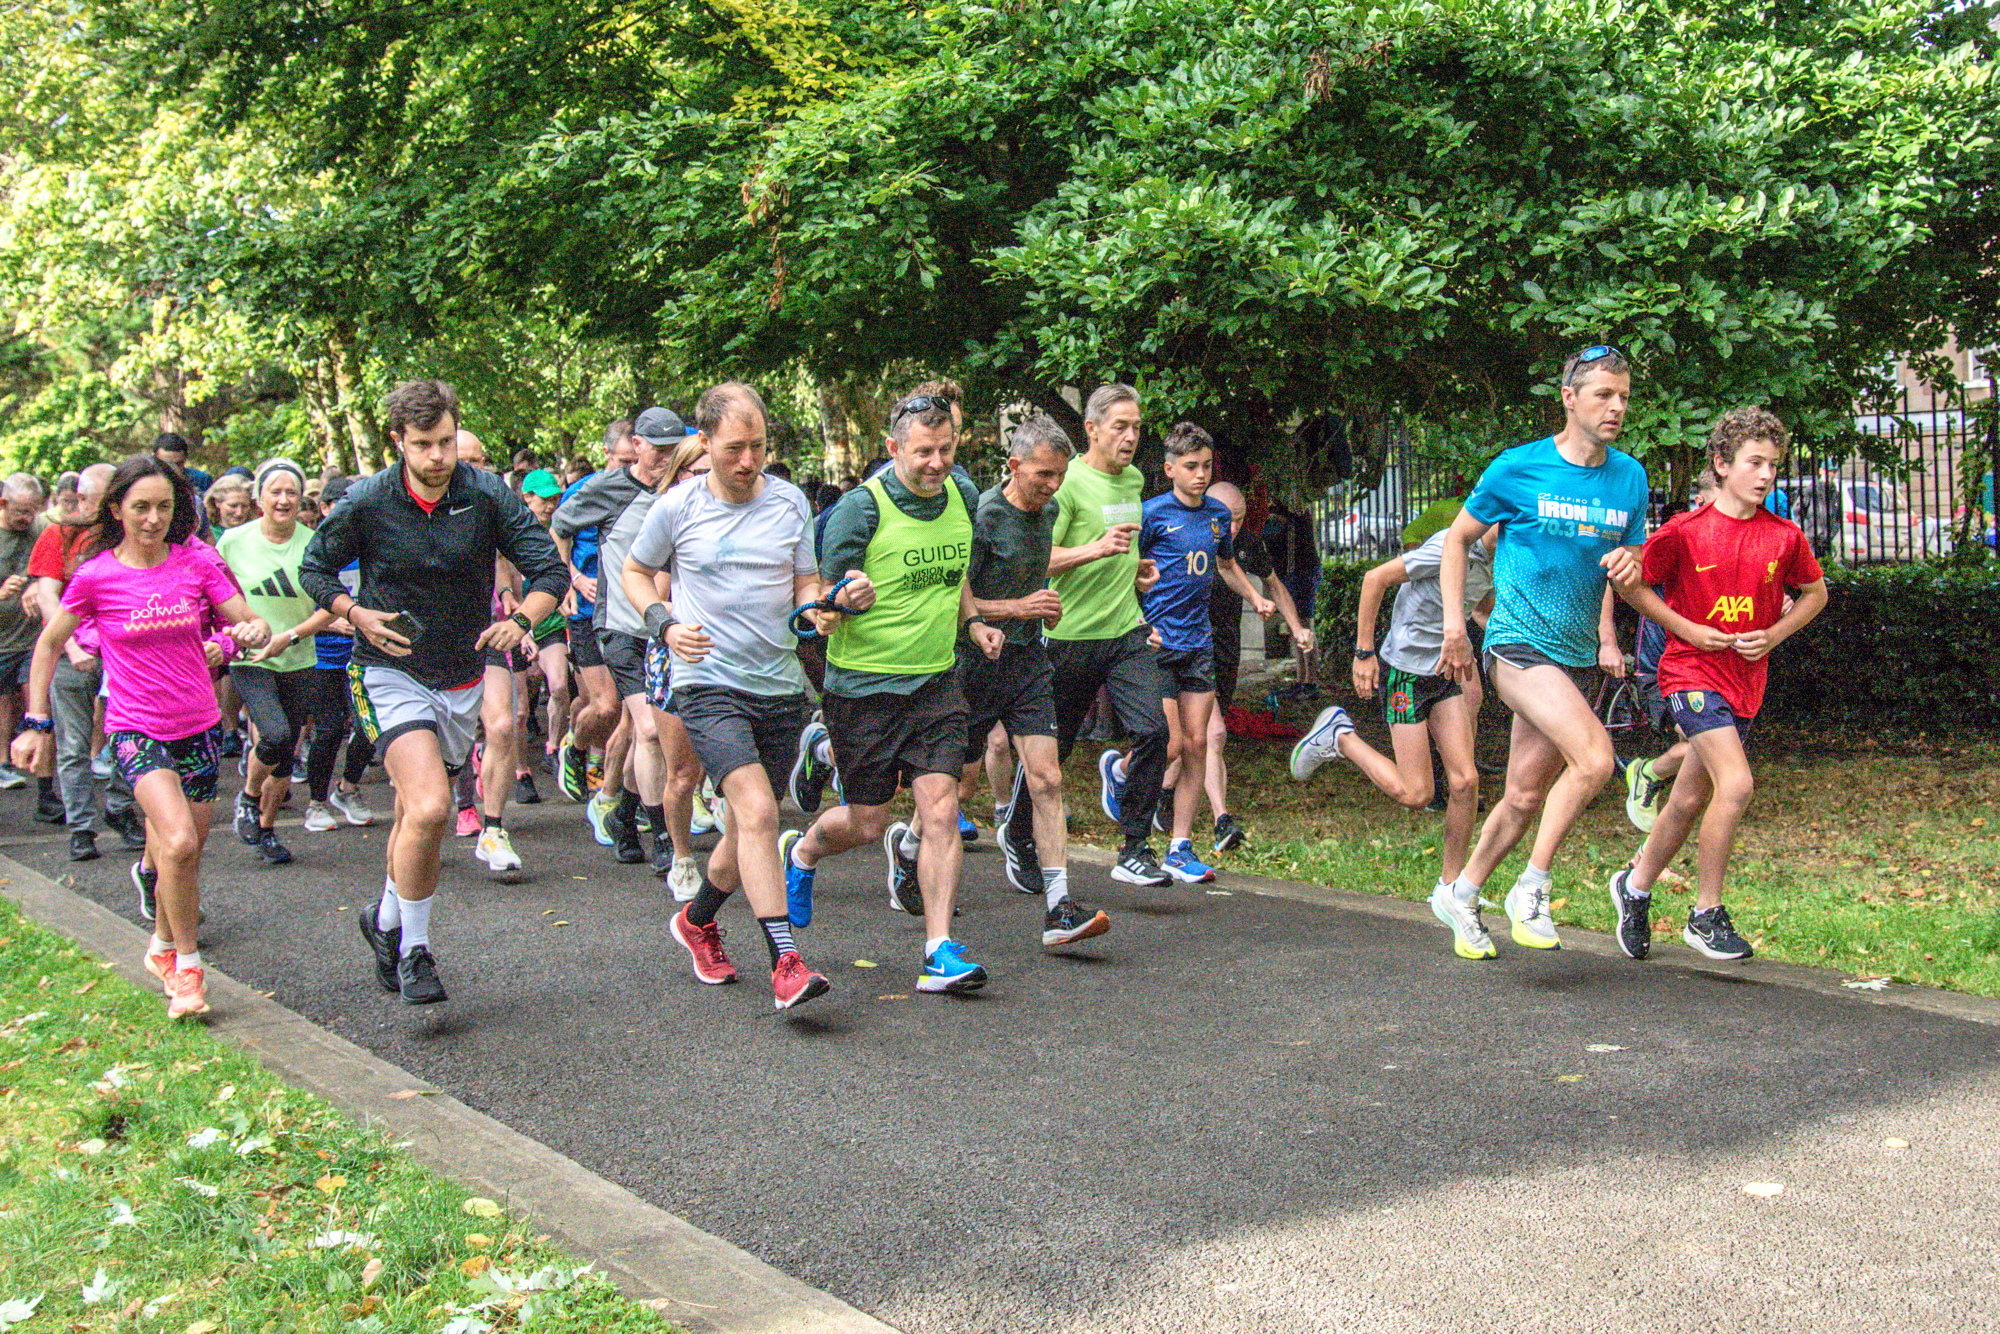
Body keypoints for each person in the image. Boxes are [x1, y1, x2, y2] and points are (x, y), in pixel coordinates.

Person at [299, 379, 566, 1006]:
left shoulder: (486, 495)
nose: (439, 456)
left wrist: (522, 618)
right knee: (427, 807)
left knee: (414, 818)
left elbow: (547, 569)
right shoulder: (368, 501)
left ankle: (385, 918)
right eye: (424, 445)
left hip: (462, 676)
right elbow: (313, 569)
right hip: (386, 669)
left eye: (446, 441)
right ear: (399, 442)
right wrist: (353, 611)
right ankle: (415, 948)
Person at [13, 457, 270, 1019]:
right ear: (116, 511)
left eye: (163, 507)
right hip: (134, 728)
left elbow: (246, 622)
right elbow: (48, 645)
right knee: (176, 842)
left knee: (183, 853)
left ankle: (159, 945)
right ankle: (189, 967)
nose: (153, 519)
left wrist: (242, 636)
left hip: (198, 725)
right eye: (140, 507)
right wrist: (36, 723)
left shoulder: (195, 563)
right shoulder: (97, 575)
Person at [621, 381, 839, 1009]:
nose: (748, 461)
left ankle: (697, 919)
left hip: (777, 684)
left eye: (760, 447)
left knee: (744, 827)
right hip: (707, 684)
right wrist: (663, 623)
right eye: (735, 447)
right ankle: (787, 962)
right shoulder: (678, 507)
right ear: (705, 441)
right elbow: (635, 572)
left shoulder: (791, 502)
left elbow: (803, 582)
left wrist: (816, 612)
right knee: (761, 813)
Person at [785, 386, 1007, 993]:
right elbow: (819, 605)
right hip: (863, 690)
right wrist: (842, 600)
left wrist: (973, 622)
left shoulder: (962, 492)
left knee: (941, 808)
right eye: (922, 453)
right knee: (866, 822)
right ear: (892, 449)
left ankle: (939, 948)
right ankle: (802, 852)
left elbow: (955, 574)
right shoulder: (861, 509)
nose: (936, 463)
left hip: (936, 681)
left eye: (945, 449)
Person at [1428, 344, 1647, 959]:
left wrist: (1633, 568)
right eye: (1603, 394)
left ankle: (1462, 892)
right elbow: (1458, 541)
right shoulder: (1517, 468)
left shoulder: (1630, 477)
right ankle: (1533, 885)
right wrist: (1453, 627)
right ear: (1569, 398)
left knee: (1524, 794)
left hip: (1575, 656)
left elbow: (1629, 565)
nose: (1616, 407)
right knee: (1597, 759)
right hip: (1518, 646)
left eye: (1624, 396)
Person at [1606, 408, 1827, 961]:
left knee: (1686, 800)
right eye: (1754, 463)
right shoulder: (1683, 531)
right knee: (1738, 784)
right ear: (1722, 464)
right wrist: (1687, 630)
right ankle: (1706, 914)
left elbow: (1816, 595)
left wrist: (1773, 634)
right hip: (1688, 672)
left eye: (1773, 465)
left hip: (1745, 680)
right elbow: (1632, 586)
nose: (1765, 475)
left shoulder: (1784, 536)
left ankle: (1633, 886)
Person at [1003, 384, 1171, 887]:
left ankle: (1136, 848)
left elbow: (1122, 548)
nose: (1130, 436)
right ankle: (1019, 833)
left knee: (1154, 731)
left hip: (1125, 630)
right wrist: (1096, 551)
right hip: (1068, 636)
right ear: (1092, 430)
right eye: (1119, 426)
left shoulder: (1135, 479)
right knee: (1055, 752)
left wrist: (1135, 569)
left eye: (1137, 427)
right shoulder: (1068, 483)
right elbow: (1040, 559)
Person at [958, 413, 1110, 946]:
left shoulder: (1047, 514)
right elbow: (958, 604)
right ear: (1014, 465)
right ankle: (908, 850)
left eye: (1060, 475)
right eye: (1043, 475)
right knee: (959, 786)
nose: (1053, 486)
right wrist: (1018, 607)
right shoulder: (980, 517)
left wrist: (1044, 611)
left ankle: (1059, 906)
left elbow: (1037, 574)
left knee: (1047, 779)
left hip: (1026, 666)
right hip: (974, 664)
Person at [1288, 527, 1495, 894]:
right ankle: (1341, 737)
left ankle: (1451, 888)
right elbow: (1374, 579)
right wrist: (1364, 653)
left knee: (1465, 783)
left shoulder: (1504, 557)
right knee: (1417, 794)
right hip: (1406, 672)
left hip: (1442, 668)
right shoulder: (1449, 548)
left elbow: (1477, 601)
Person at [1132, 423, 1274, 884]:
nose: (1199, 474)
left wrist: (1254, 597)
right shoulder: (1151, 514)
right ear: (1170, 469)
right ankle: (1122, 776)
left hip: (1198, 643)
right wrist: (1137, 619)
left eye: (1206, 466)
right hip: (1158, 642)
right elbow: (1124, 572)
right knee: (1169, 743)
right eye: (1190, 467)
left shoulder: (1216, 515)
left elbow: (1226, 564)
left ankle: (1179, 846)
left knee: (1197, 745)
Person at [552, 407, 681, 871]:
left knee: (644, 733)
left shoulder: (686, 488)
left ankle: (624, 816)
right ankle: (665, 837)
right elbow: (559, 527)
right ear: (637, 445)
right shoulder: (607, 489)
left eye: (673, 450)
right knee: (648, 730)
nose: (666, 458)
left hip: (670, 631)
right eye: (658, 449)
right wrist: (566, 579)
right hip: (621, 627)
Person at [1185, 480, 1313, 851]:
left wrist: (1296, 628)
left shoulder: (1246, 544)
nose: (1234, 529)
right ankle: (1222, 820)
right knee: (1214, 734)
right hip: (1188, 646)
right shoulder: (1185, 536)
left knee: (1186, 744)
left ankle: (1130, 778)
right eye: (1227, 521)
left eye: (1239, 521)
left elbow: (1275, 585)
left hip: (1225, 648)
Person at [27, 463, 145, 854]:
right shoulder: (59, 534)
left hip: (120, 653)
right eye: (105, 498)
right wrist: (73, 648)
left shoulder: (123, 536)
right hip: (70, 653)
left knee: (126, 738)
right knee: (74, 744)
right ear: (82, 499)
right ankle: (81, 827)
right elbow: (47, 596)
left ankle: (118, 807)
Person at [219, 459, 332, 865]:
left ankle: (265, 830)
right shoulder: (233, 541)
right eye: (275, 492)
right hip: (250, 656)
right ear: (258, 498)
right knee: (276, 734)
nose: (283, 500)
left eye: (291, 493)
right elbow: (213, 593)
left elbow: (331, 607)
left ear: (302, 498)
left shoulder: (315, 544)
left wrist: (292, 635)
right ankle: (248, 798)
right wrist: (229, 634)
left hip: (300, 656)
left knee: (285, 756)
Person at [1621, 472, 1722, 834]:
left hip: (1714, 668)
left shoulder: (1732, 542)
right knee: (1702, 741)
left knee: (1717, 746)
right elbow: (1621, 580)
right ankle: (1649, 774)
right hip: (1662, 668)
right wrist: (1606, 640)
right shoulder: (1677, 537)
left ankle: (1657, 785)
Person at [550, 420, 635, 803]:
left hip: (628, 611)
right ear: (605, 455)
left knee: (615, 708)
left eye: (634, 459)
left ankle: (606, 774)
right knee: (605, 705)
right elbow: (556, 534)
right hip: (585, 610)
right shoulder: (582, 491)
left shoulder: (648, 490)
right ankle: (575, 744)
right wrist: (570, 579)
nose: (629, 468)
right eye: (622, 461)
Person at [297, 476, 377, 834]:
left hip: (362, 653)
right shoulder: (311, 549)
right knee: (328, 730)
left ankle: (347, 789)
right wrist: (332, 623)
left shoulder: (370, 546)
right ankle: (316, 802)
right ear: (325, 509)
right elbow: (295, 611)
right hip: (319, 655)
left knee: (368, 727)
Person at [0, 474, 50, 791]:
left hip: (33, 637)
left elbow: (59, 566)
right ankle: (4, 762)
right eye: (20, 511)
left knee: (36, 697)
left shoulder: (41, 529)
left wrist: (37, 585)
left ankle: (45, 781)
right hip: (2, 639)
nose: (26, 518)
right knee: (4, 703)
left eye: (31, 511)